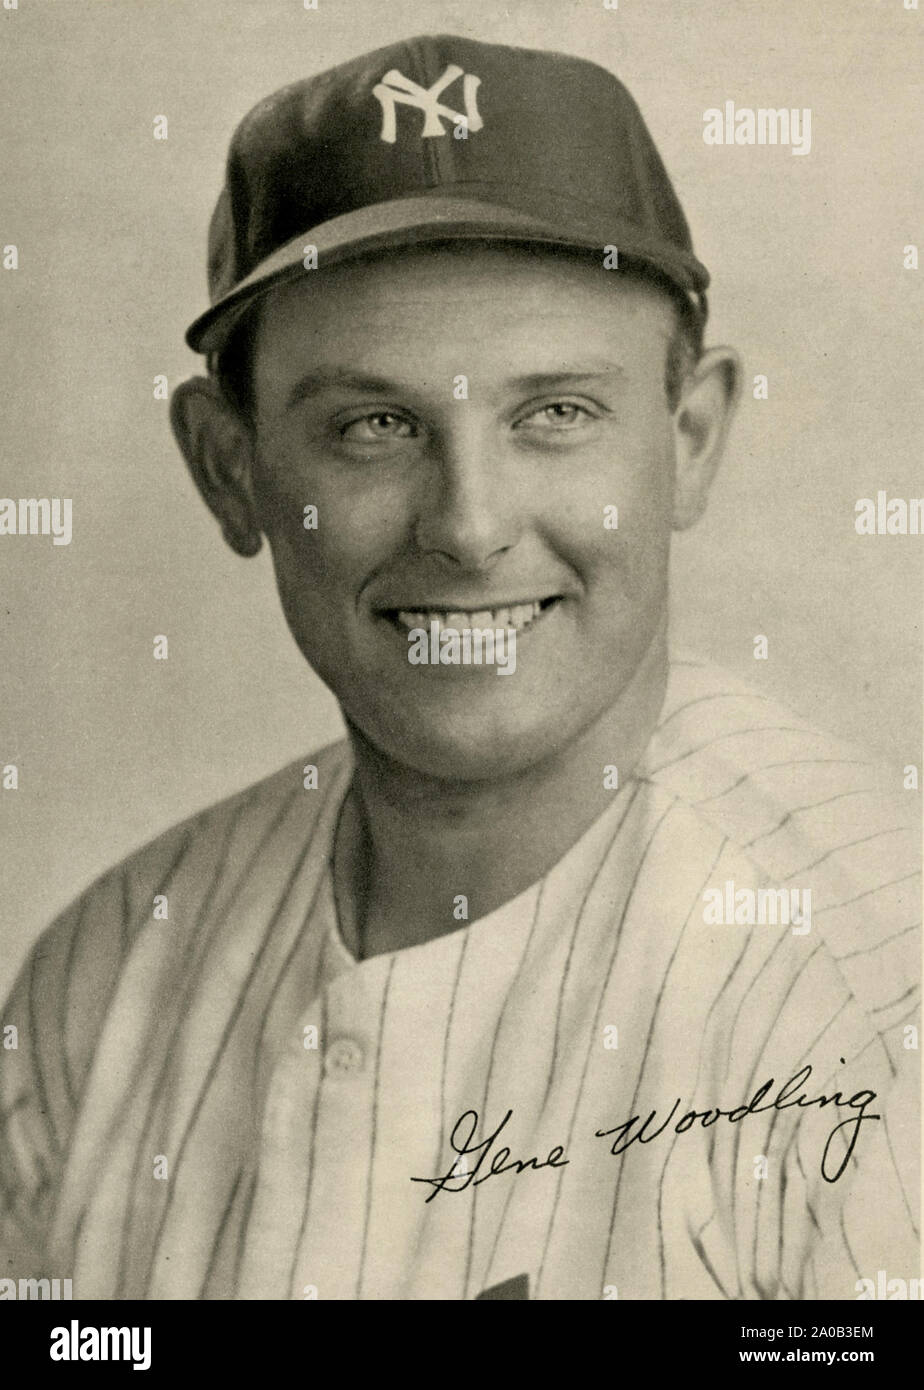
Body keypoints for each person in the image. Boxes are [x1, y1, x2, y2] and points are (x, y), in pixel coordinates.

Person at [1, 34, 918, 1301]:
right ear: (230, 469)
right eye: (373, 427)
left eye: (555, 414)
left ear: (690, 437)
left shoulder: (878, 1002)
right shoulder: (93, 989)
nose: (470, 525)